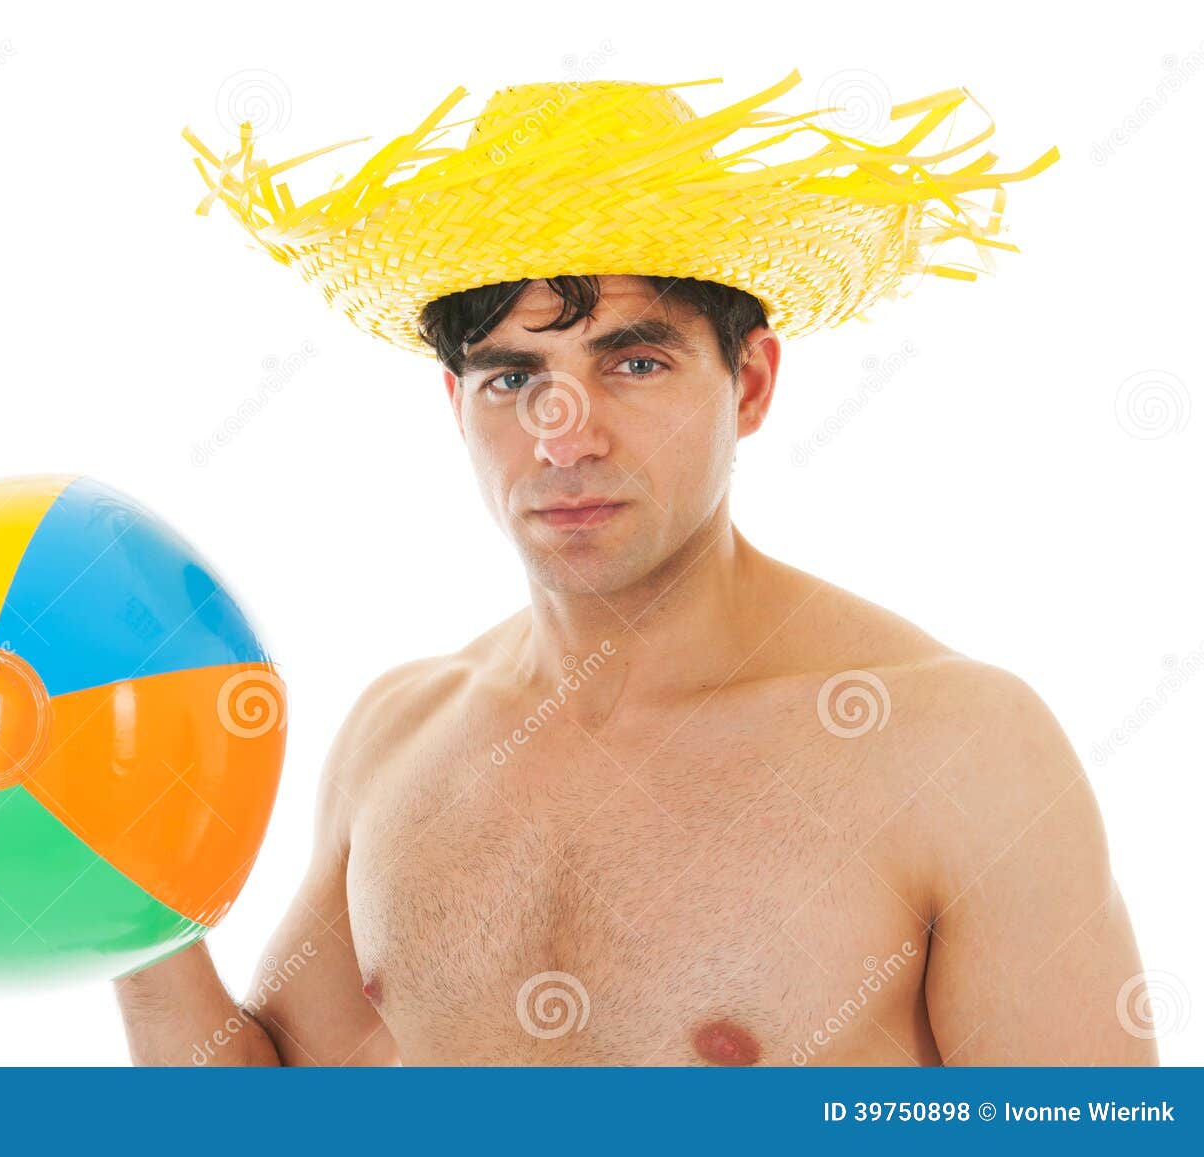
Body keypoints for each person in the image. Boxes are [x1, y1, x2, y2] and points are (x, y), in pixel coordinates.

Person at [119, 74, 1152, 1066]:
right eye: (513, 377)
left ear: (751, 382)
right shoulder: (397, 739)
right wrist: (119, 889)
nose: (564, 434)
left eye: (634, 362)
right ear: (456, 405)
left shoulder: (959, 749)